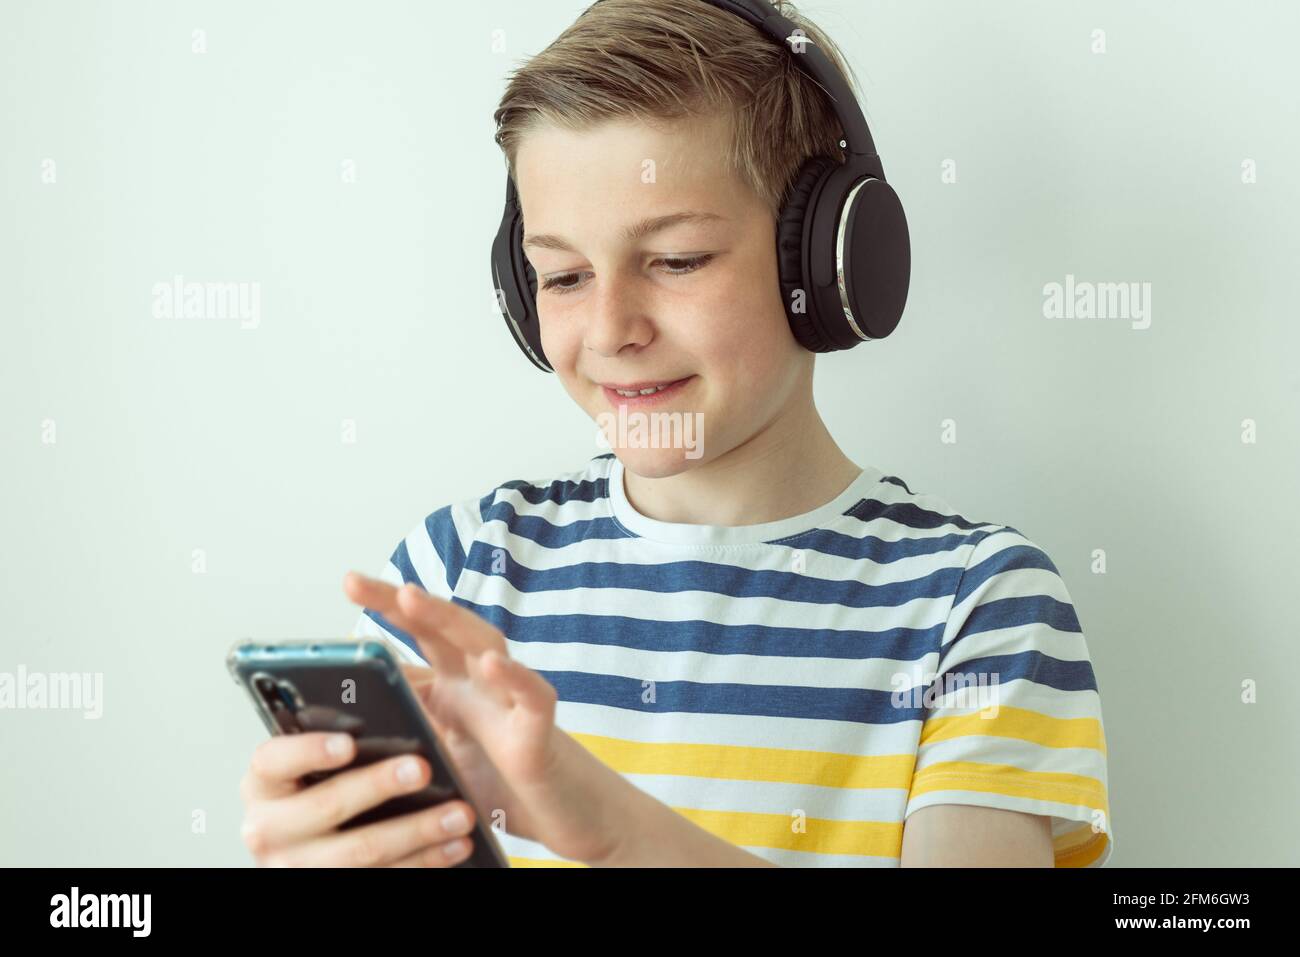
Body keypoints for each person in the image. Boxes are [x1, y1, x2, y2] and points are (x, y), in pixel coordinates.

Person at [238, 0, 1112, 868]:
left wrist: (620, 833)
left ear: (825, 262)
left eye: (677, 260)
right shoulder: (456, 571)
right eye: (565, 274)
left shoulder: (977, 605)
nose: (613, 326)